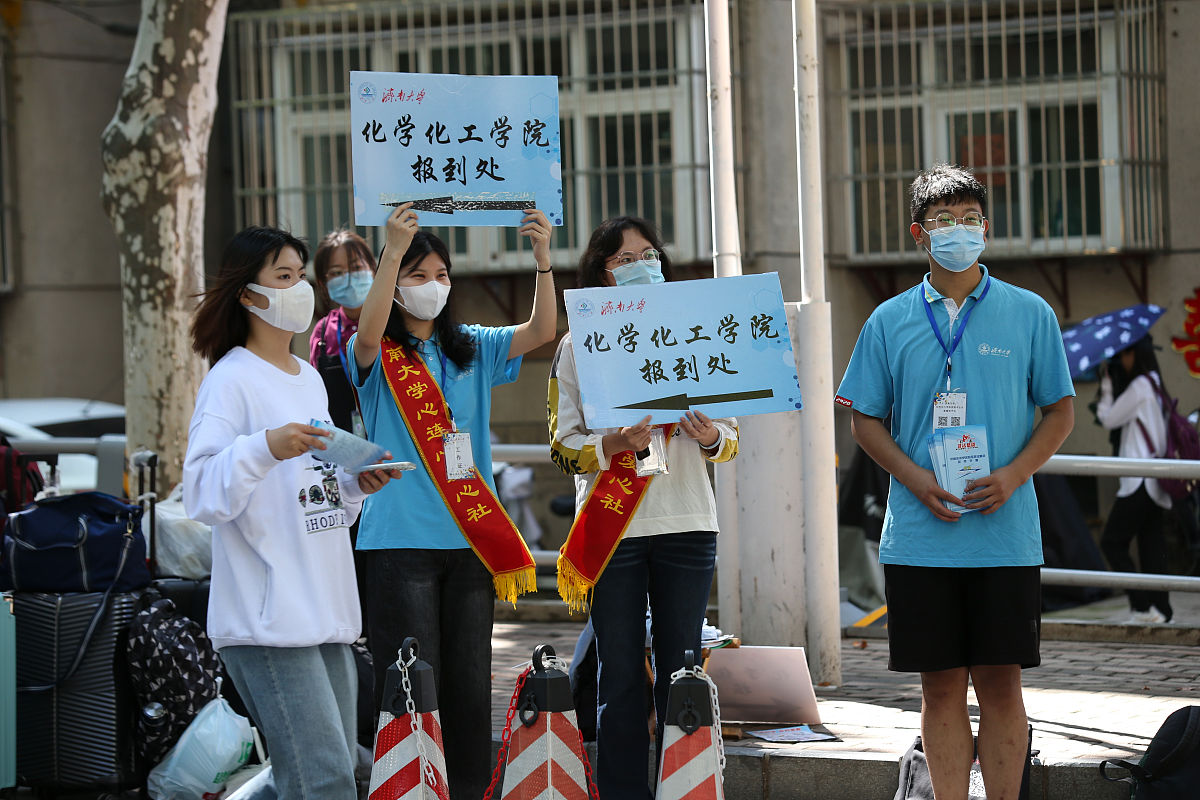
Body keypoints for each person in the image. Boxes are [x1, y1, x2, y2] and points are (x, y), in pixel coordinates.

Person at [835, 165, 1075, 800]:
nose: (958, 230)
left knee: (1002, 684)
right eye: (943, 220)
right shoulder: (888, 320)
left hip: (1004, 535)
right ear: (919, 233)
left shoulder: (1030, 313)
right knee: (939, 686)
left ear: (986, 229)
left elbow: (1060, 411)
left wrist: (1014, 475)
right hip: (921, 538)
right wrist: (915, 479)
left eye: (970, 219)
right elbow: (864, 418)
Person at [349, 202, 557, 798]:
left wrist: (543, 260)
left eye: (442, 274)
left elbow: (541, 331)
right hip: (399, 542)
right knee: (410, 685)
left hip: (470, 542)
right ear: (394, 286)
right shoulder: (376, 356)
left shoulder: (472, 345)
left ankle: (467, 790)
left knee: (467, 686)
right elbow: (368, 333)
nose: (432, 285)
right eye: (417, 276)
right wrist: (392, 250)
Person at [183, 226, 399, 799]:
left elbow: (318, 496)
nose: (300, 288)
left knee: (325, 771)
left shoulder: (307, 378)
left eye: (301, 275)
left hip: (323, 608)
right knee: (323, 778)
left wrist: (354, 484)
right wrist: (265, 447)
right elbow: (201, 491)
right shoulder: (230, 379)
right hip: (268, 620)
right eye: (283, 276)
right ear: (246, 293)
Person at [547, 216, 739, 799]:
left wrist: (709, 435)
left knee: (682, 674)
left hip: (687, 523)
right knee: (620, 677)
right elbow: (562, 448)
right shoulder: (575, 345)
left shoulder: (695, 332)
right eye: (625, 260)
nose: (641, 267)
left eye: (649, 255)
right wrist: (612, 444)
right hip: (614, 529)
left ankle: (684, 789)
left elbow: (730, 440)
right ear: (600, 274)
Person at [1095, 334, 1174, 623]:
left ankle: (1141, 607)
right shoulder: (1154, 382)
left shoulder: (1140, 385)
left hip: (1140, 481)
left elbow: (1108, 418)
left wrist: (1106, 384)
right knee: (1151, 546)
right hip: (1155, 480)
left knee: (1112, 542)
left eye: (1125, 353)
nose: (1122, 360)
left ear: (1135, 355)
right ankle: (1161, 611)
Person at [309, 228, 377, 434]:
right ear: (323, 282)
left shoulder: (395, 322)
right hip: (345, 444)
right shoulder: (323, 332)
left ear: (373, 269)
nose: (348, 279)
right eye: (337, 273)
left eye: (356, 268)